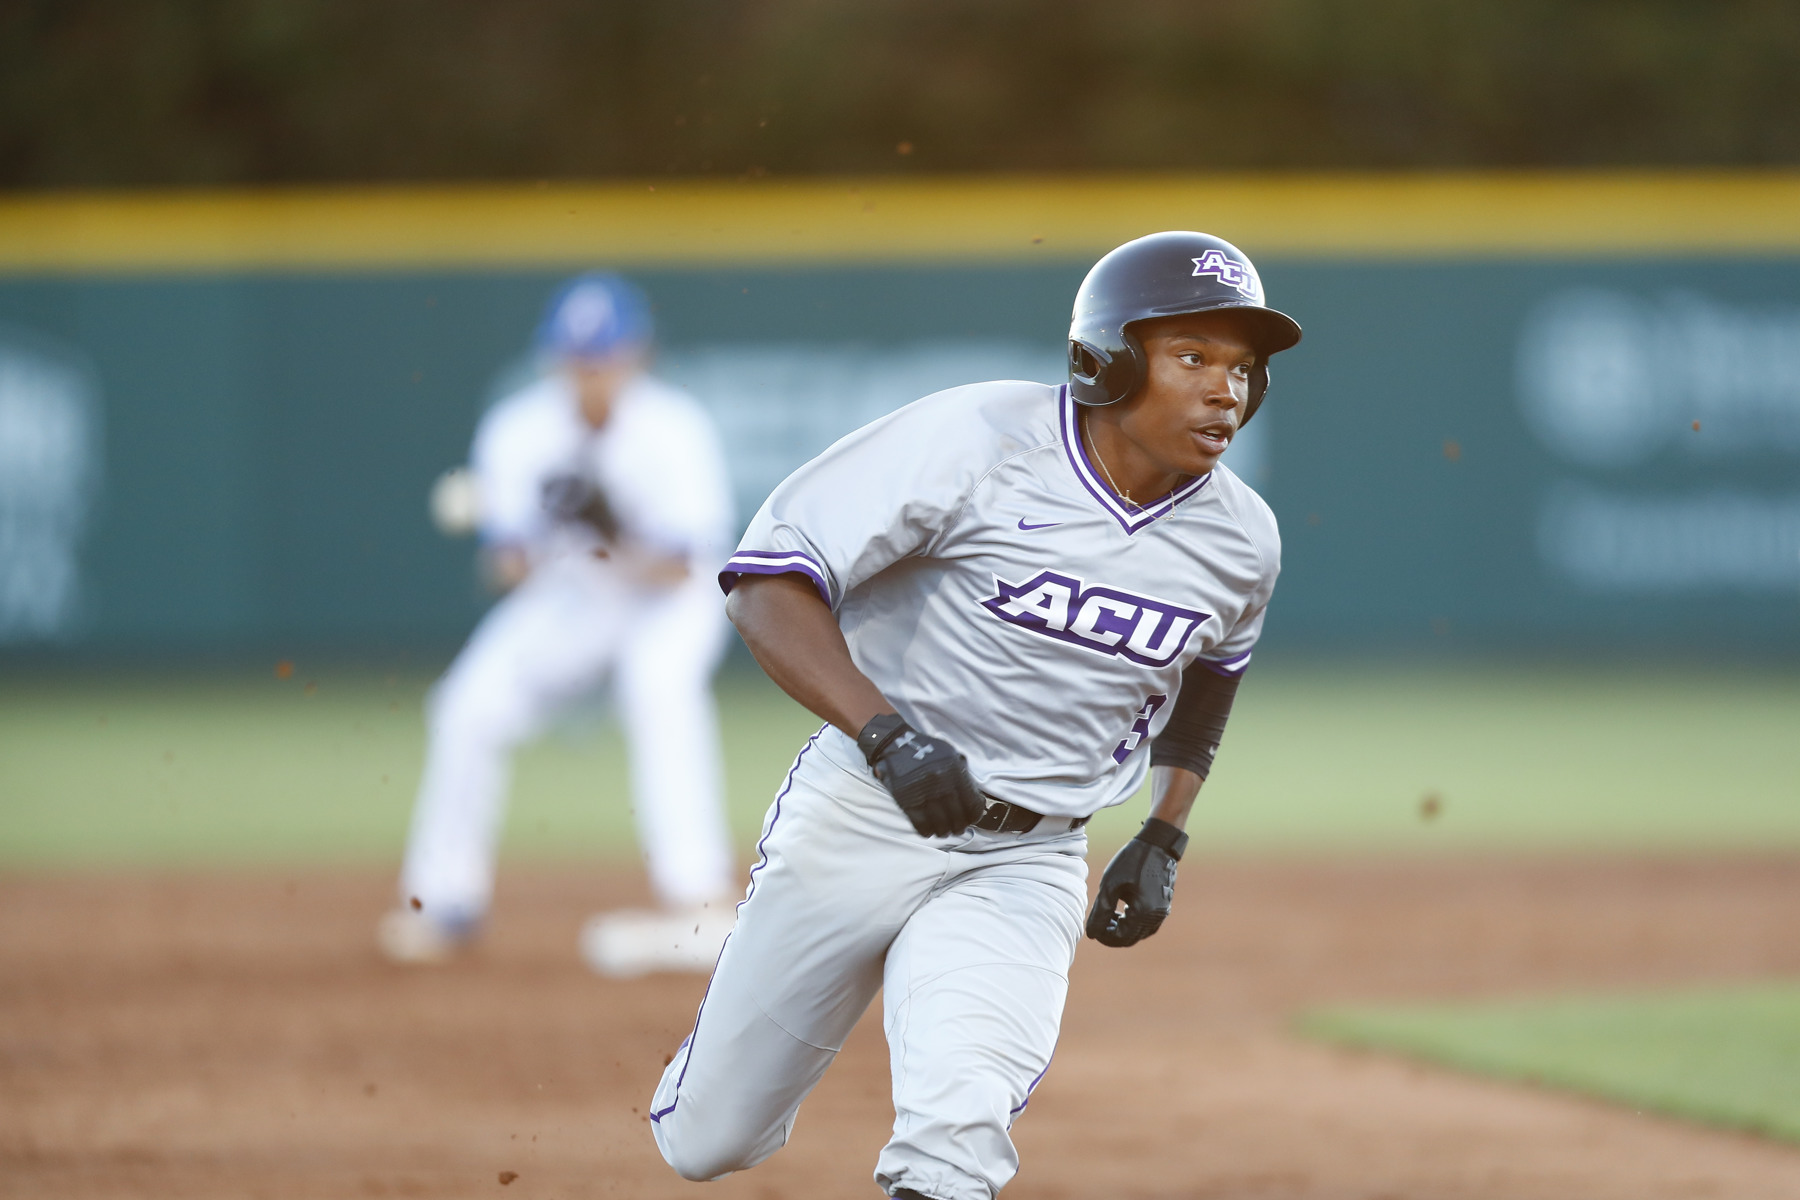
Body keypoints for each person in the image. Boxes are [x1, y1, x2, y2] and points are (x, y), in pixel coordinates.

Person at [645, 231, 1302, 1198]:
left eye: (1242, 369)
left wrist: (1163, 835)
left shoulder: (1242, 540)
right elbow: (767, 584)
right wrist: (886, 736)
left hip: (1028, 858)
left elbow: (1208, 688)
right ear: (1109, 361)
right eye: (1193, 357)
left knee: (958, 1130)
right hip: (868, 813)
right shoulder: (977, 440)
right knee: (710, 1140)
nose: (1225, 392)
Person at [377, 273, 739, 977]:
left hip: (669, 602)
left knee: (658, 689)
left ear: (635, 355)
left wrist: (613, 529)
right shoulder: (519, 430)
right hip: (576, 595)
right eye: (577, 359)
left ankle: (696, 894)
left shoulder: (675, 428)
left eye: (601, 358)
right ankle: (443, 902)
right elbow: (507, 569)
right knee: (466, 707)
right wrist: (534, 538)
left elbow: (682, 567)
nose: (589, 373)